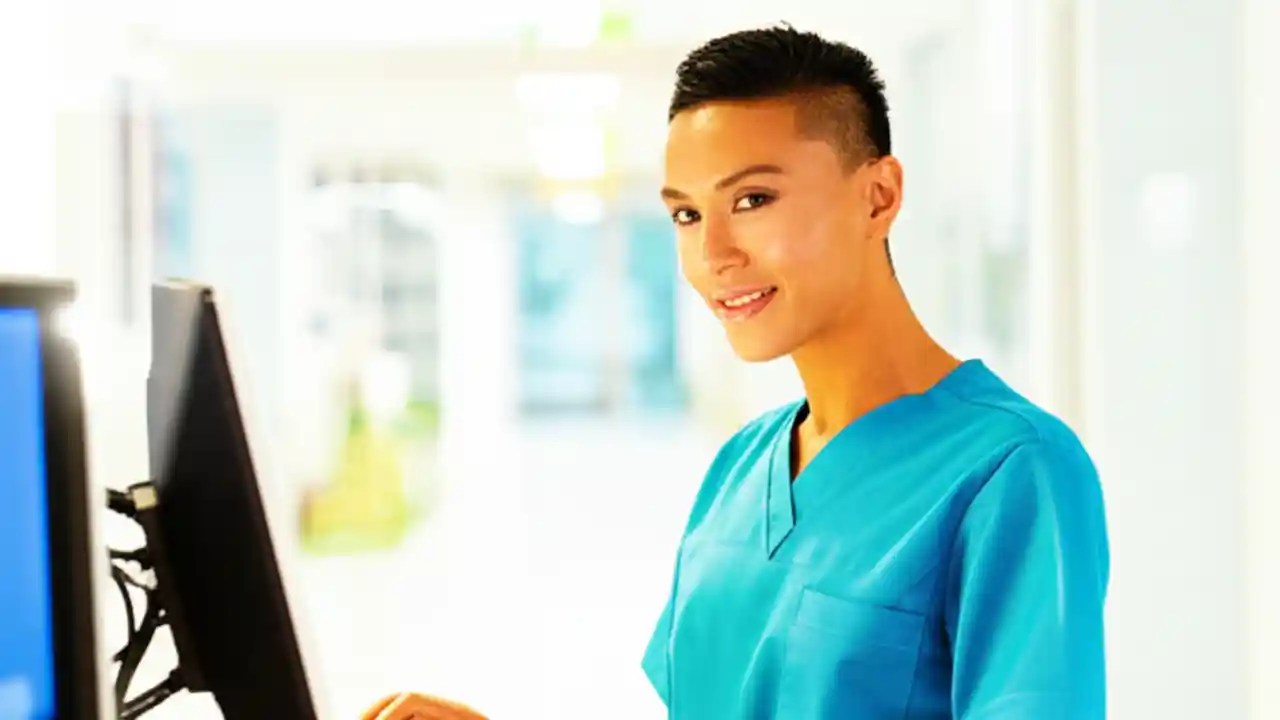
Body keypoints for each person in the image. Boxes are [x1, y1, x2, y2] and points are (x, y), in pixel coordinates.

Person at [363, 24, 1109, 720]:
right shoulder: (740, 468)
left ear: (878, 197)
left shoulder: (1013, 470)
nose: (713, 255)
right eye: (686, 215)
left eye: (752, 200)